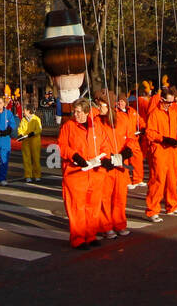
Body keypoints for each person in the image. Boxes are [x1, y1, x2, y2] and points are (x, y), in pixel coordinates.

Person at [58, 98, 108, 248]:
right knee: (77, 207)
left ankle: (91, 235)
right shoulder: (68, 126)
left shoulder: (96, 126)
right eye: (74, 111)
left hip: (95, 172)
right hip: (76, 173)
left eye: (78, 111)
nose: (76, 114)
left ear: (87, 112)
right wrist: (74, 156)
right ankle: (78, 238)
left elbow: (105, 145)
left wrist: (105, 157)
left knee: (93, 206)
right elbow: (61, 145)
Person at [144, 87, 177, 221]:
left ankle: (172, 206)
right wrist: (163, 138)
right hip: (160, 150)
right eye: (168, 102)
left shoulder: (173, 112)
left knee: (172, 179)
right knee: (157, 180)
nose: (170, 105)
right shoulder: (155, 114)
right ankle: (152, 210)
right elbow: (149, 133)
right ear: (161, 100)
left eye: (172, 102)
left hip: (172, 151)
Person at [94, 91, 132, 238]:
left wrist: (126, 152)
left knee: (120, 195)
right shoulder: (97, 121)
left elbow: (130, 138)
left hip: (121, 164)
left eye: (101, 105)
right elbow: (97, 142)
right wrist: (106, 158)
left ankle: (120, 224)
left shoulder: (123, 118)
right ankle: (105, 226)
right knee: (105, 196)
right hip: (107, 165)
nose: (99, 107)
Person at [115, 93, 145, 189]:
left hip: (134, 139)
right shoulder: (116, 113)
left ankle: (138, 179)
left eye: (122, 101)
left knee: (138, 159)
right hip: (123, 140)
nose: (121, 103)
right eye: (119, 101)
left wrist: (143, 128)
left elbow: (140, 120)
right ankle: (126, 180)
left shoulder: (132, 111)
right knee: (125, 160)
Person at [17, 103, 43, 183]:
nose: (23, 112)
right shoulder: (23, 120)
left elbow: (39, 129)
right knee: (26, 158)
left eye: (24, 110)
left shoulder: (36, 119)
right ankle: (28, 175)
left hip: (34, 141)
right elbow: (20, 128)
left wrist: (33, 133)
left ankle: (37, 175)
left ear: (28, 111)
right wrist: (20, 134)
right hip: (26, 141)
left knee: (36, 158)